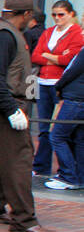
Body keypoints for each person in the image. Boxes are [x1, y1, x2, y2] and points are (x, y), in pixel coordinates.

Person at [0, 0, 57, 232]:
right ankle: (24, 219)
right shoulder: (4, 35)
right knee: (19, 158)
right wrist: (11, 109)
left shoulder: (4, 32)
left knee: (15, 155)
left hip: (4, 102)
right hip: (1, 104)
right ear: (27, 14)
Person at [30, 0, 82, 177]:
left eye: (61, 14)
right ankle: (41, 166)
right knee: (44, 127)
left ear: (71, 14)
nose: (57, 18)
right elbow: (36, 55)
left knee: (62, 130)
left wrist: (50, 56)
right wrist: (55, 57)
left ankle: (66, 171)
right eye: (54, 14)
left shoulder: (76, 33)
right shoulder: (48, 32)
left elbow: (70, 60)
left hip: (61, 85)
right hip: (43, 82)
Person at [46, 47, 84, 190]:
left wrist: (58, 86)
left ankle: (68, 176)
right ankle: (79, 178)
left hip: (75, 99)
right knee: (80, 140)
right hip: (79, 99)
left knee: (57, 136)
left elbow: (73, 71)